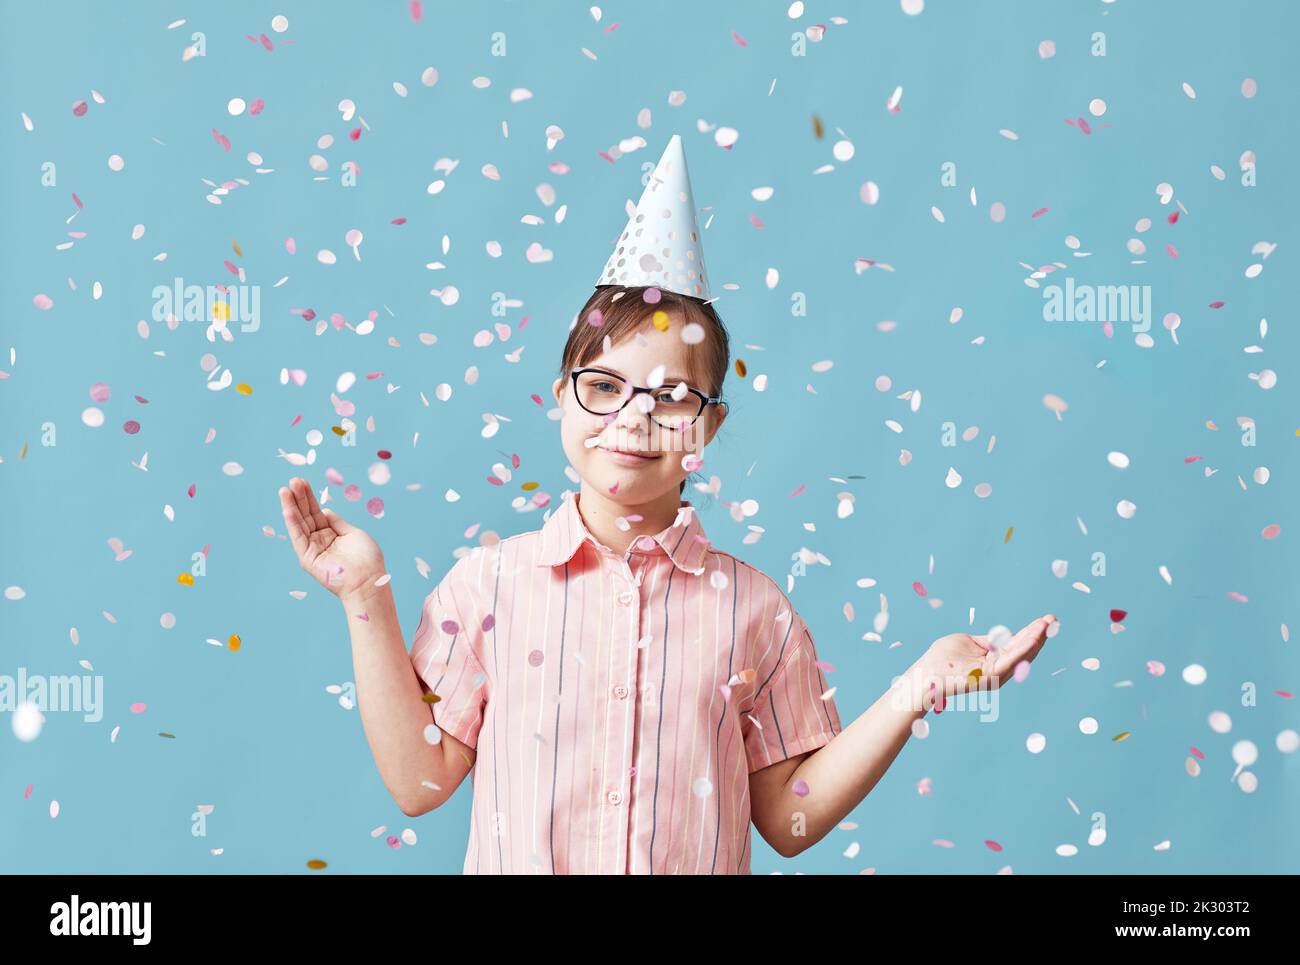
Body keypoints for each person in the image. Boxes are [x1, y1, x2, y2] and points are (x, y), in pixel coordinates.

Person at [277, 135, 1057, 874]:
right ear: (562, 400)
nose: (632, 416)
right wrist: (364, 595)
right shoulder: (487, 587)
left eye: (672, 395)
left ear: (709, 424)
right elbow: (420, 783)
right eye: (605, 387)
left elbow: (786, 821)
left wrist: (914, 688)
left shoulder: (757, 611)